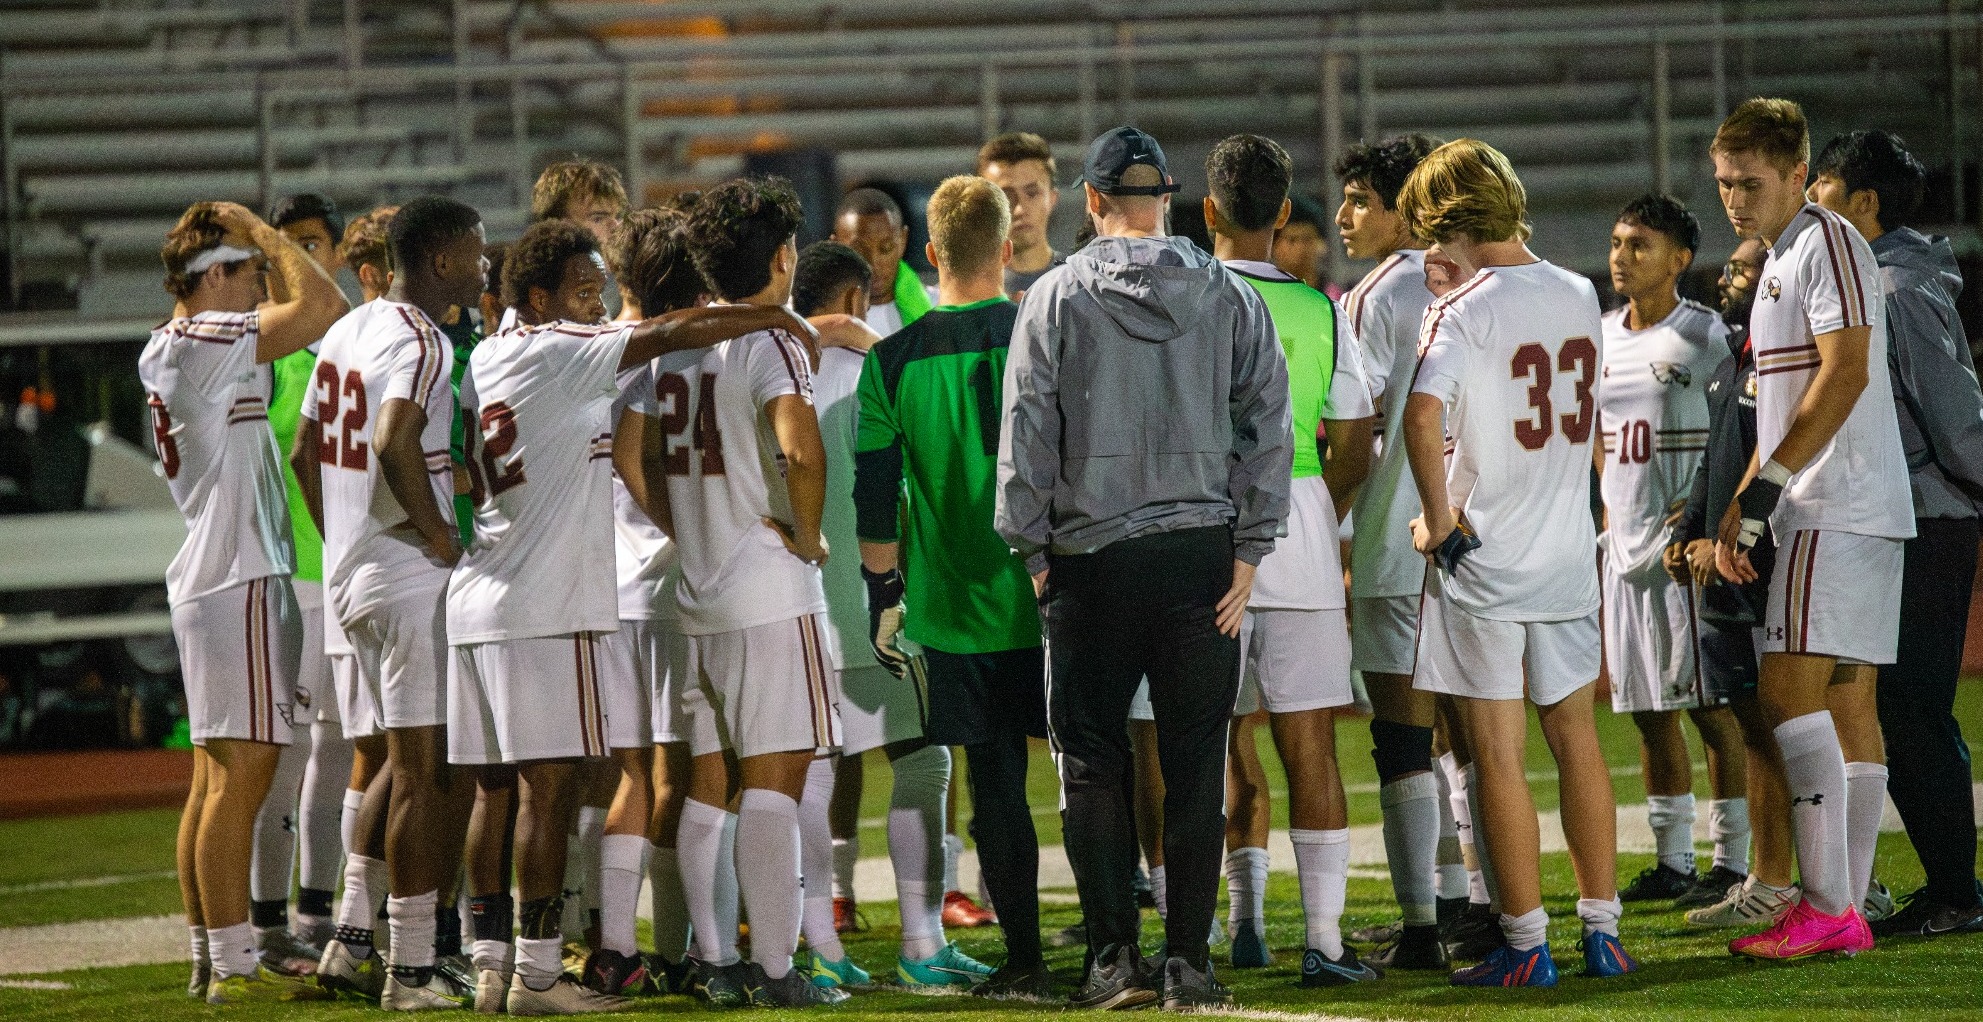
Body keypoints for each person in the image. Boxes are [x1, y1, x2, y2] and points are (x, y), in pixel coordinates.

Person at [449, 215, 811, 1013]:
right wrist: (771, 314)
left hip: (478, 594)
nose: (596, 304)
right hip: (544, 605)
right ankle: (541, 977)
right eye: (581, 292)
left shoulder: (487, 357)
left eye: (602, 289)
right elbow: (667, 332)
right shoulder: (558, 350)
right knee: (555, 791)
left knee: (496, 794)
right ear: (539, 299)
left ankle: (489, 967)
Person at [996, 125, 1292, 1011]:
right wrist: (1249, 549)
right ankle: (1189, 964)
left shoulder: (1052, 297)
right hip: (1200, 556)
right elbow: (1268, 424)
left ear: (1089, 201)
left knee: (1091, 762)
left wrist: (1031, 549)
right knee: (1198, 763)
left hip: (1091, 558)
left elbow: (1026, 433)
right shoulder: (1230, 294)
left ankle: (1112, 959)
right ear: (1168, 199)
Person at [1396, 139, 1635, 987]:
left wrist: (1436, 519)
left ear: (1442, 221)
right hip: (1566, 552)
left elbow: (1422, 418)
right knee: (1577, 742)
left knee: (1495, 756)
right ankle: (1602, 932)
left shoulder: (1463, 309)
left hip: (1485, 561)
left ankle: (1527, 946)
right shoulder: (1577, 289)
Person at [1708, 98, 1911, 960]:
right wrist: (1745, 496)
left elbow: (1848, 371)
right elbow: (1783, 402)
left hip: (1831, 503)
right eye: (1722, 182)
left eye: (1749, 182)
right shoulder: (1786, 255)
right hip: (1851, 503)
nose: (1733, 199)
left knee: (1786, 695)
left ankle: (1825, 903)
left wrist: (1767, 494)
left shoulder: (1821, 241)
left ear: (1796, 174)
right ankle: (1848, 904)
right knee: (1843, 699)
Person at [853, 175, 1059, 999]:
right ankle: (1120, 945)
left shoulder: (890, 358)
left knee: (995, 787)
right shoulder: (1046, 336)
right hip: (1056, 600)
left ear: (929, 255)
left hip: (955, 611)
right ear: (1007, 250)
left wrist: (882, 599)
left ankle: (1026, 960)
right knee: (1093, 776)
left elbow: (874, 502)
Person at [143, 200, 348, 1004]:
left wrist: (245, 251)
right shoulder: (201, 339)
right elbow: (325, 306)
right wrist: (266, 233)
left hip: (214, 574)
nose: (264, 282)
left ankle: (209, 956)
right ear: (214, 276)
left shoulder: (174, 343)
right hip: (240, 575)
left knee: (213, 779)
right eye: (251, 272)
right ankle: (232, 965)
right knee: (243, 781)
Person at [788, 234, 997, 992]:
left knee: (808, 774)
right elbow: (912, 489)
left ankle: (819, 946)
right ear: (853, 300)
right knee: (924, 761)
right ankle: (918, 941)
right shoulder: (874, 371)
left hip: (800, 602)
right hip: (880, 603)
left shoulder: (779, 374)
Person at [660, 177, 849, 1009]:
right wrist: (806, 538)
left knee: (710, 781)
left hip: (691, 588)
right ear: (780, 258)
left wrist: (692, 525)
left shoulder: (673, 342)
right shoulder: (770, 340)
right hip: (764, 593)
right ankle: (776, 971)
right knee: (776, 778)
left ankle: (716, 962)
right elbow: (800, 453)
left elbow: (634, 458)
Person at [1200, 134, 1378, 986]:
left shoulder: (1186, 300)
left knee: (1198, 744)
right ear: (1281, 216)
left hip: (1201, 535)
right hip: (1299, 532)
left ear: (1207, 212)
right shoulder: (1320, 308)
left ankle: (1218, 929)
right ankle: (1325, 942)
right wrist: (1318, 510)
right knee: (1310, 745)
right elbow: (1353, 441)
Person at [301, 197, 486, 1010]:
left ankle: (349, 940)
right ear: (441, 262)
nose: (484, 269)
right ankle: (411, 969)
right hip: (406, 577)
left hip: (353, 575)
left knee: (388, 764)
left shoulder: (349, 327)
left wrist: (343, 539)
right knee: (431, 775)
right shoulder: (420, 337)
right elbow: (393, 438)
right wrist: (438, 533)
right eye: (475, 256)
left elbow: (309, 451)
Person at [1808, 129, 1983, 936]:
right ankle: (1944, 885)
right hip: (1908, 515)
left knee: (1913, 707)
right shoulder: (1883, 280)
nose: (1812, 197)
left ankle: (1954, 890)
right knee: (1902, 707)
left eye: (1824, 185)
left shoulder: (1897, 290)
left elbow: (1955, 424)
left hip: (1927, 519)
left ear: (1864, 202)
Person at [1596, 194, 1752, 906]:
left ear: (1680, 260)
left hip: (1679, 551)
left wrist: (1700, 516)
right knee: (1646, 708)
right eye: (1618, 243)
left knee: (1709, 705)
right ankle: (1671, 861)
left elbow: (1733, 434)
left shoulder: (1704, 336)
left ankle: (1732, 858)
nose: (1622, 257)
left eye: (1640, 245)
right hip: (1620, 549)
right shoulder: (1597, 338)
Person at [1332, 133, 1460, 970]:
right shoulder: (1476, 279)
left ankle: (1420, 928)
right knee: (1468, 730)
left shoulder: (1376, 293)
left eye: (1358, 200)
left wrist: (1321, 517)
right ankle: (1464, 909)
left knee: (1402, 735)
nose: (1344, 216)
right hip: (1481, 530)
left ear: (1400, 207)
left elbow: (1355, 427)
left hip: (1398, 530)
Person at [1674, 238, 1804, 931]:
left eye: (1743, 268)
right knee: (1754, 723)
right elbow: (1713, 459)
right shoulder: (1738, 358)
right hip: (1723, 559)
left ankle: (1843, 877)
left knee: (1794, 723)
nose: (1728, 278)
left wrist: (1729, 537)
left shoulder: (1778, 361)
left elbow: (1776, 454)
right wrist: (1689, 530)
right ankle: (1769, 876)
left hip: (1759, 559)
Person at [254, 192, 358, 968]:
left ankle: (318, 911)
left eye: (313, 242)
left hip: (345, 575)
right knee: (283, 754)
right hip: (290, 576)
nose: (301, 257)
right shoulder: (264, 353)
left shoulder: (352, 341)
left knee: (343, 750)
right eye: (288, 245)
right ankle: (263, 924)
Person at [833, 188, 935, 338]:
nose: (873, 264)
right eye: (859, 251)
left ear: (903, 240)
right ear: (836, 246)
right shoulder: (809, 318)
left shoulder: (936, 308)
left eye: (886, 248)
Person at [977, 132, 1065, 298]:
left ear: (1052, 199)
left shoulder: (1081, 284)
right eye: (1005, 196)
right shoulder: (967, 293)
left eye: (1032, 193)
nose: (1019, 209)